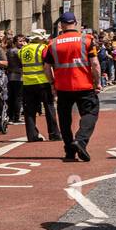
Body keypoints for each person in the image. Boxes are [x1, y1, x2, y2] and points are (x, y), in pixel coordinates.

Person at [44, 12, 101, 163]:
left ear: (61, 25)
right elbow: (95, 64)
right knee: (90, 113)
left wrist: (52, 84)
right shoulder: (87, 39)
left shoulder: (53, 43)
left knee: (64, 119)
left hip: (63, 87)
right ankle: (80, 141)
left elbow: (46, 67)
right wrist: (98, 82)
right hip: (85, 85)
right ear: (75, 23)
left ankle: (69, 151)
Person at [19, 29, 59, 143]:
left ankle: (32, 136)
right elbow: (48, 66)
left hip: (27, 83)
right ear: (41, 39)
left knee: (29, 112)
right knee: (49, 108)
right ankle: (54, 134)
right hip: (42, 82)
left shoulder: (22, 50)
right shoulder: (43, 49)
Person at [5, 32, 26, 125]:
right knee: (18, 97)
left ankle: (11, 117)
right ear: (15, 42)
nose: (22, 43)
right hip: (18, 76)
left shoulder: (9, 51)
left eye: (23, 41)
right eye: (20, 41)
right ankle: (16, 117)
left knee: (12, 97)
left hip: (11, 76)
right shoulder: (17, 51)